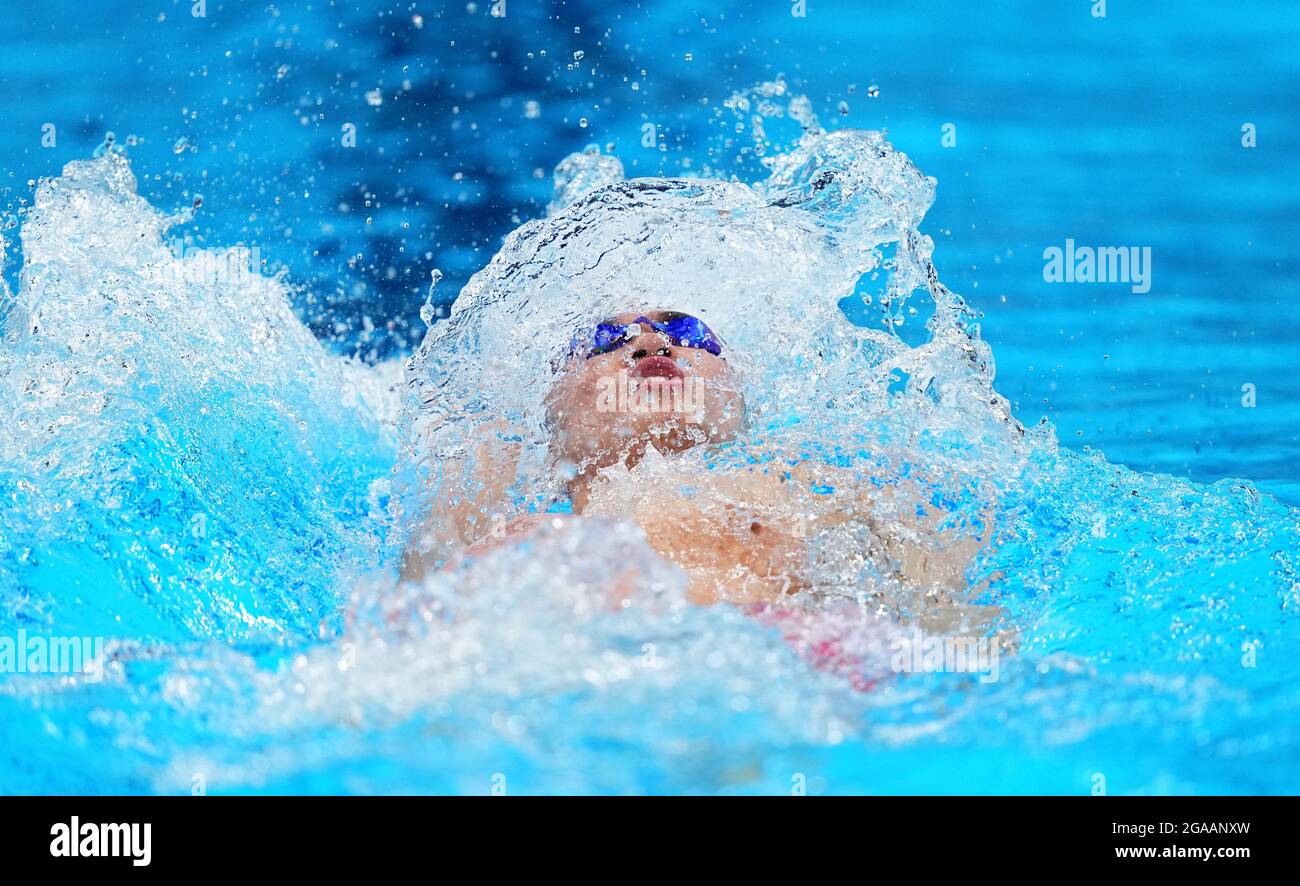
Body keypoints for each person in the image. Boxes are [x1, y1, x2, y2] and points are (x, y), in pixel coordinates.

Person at [400, 309, 998, 635]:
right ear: (550, 412)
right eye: (603, 339)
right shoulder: (510, 523)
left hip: (783, 656)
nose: (650, 344)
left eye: (688, 331)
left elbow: (955, 617)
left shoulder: (811, 483)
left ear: (737, 398)